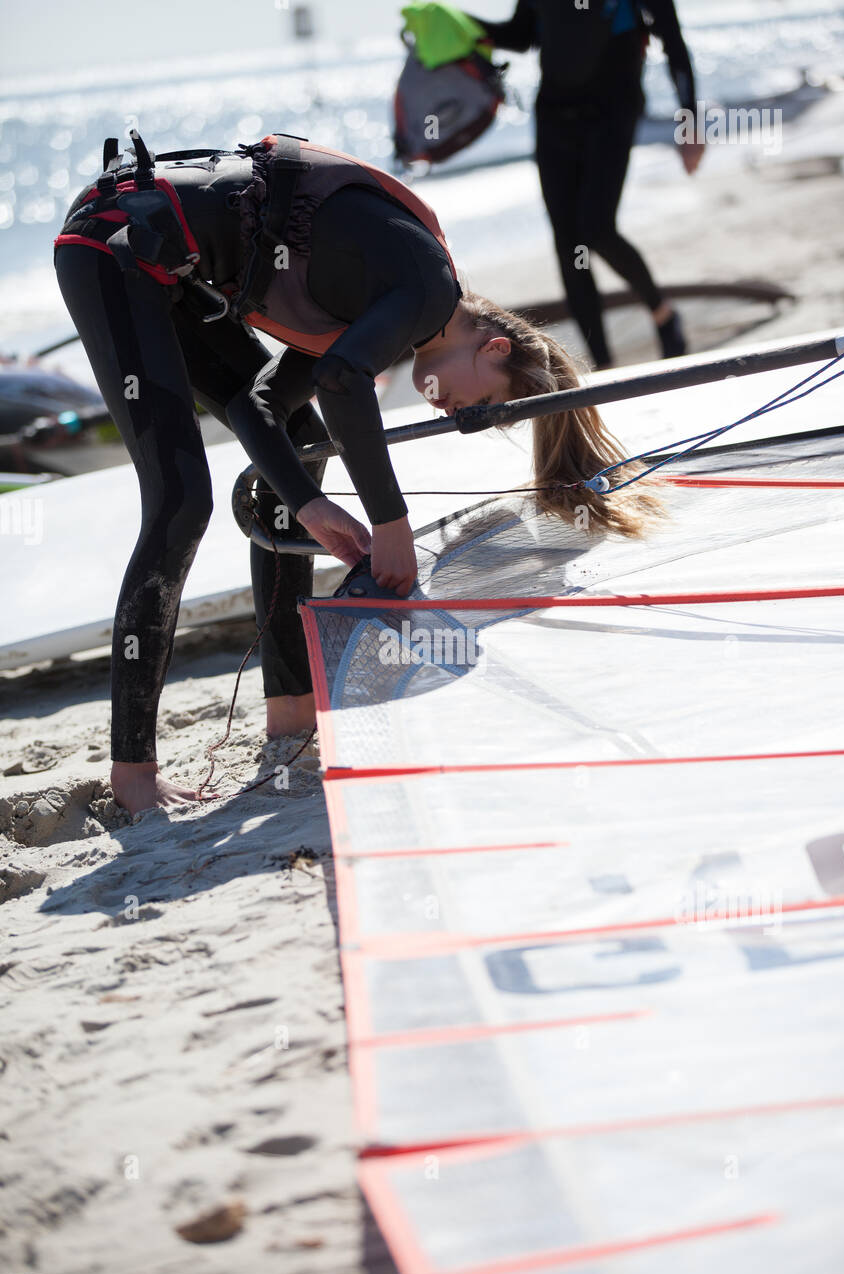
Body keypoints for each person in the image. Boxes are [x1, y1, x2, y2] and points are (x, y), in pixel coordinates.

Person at [54, 131, 659, 816]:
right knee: (179, 498)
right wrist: (389, 525)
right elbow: (342, 379)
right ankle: (132, 772)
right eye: (485, 403)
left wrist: (310, 504)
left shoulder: (390, 312)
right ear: (493, 347)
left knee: (301, 446)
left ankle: (291, 709)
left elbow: (258, 406)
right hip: (114, 244)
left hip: (172, 260)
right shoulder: (427, 289)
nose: (463, 415)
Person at [465, 0, 704, 368]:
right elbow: (521, 34)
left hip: (612, 111)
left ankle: (662, 313)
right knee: (568, 244)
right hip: (555, 117)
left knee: (597, 229)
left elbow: (672, 40)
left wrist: (689, 119)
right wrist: (456, 24)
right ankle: (603, 365)